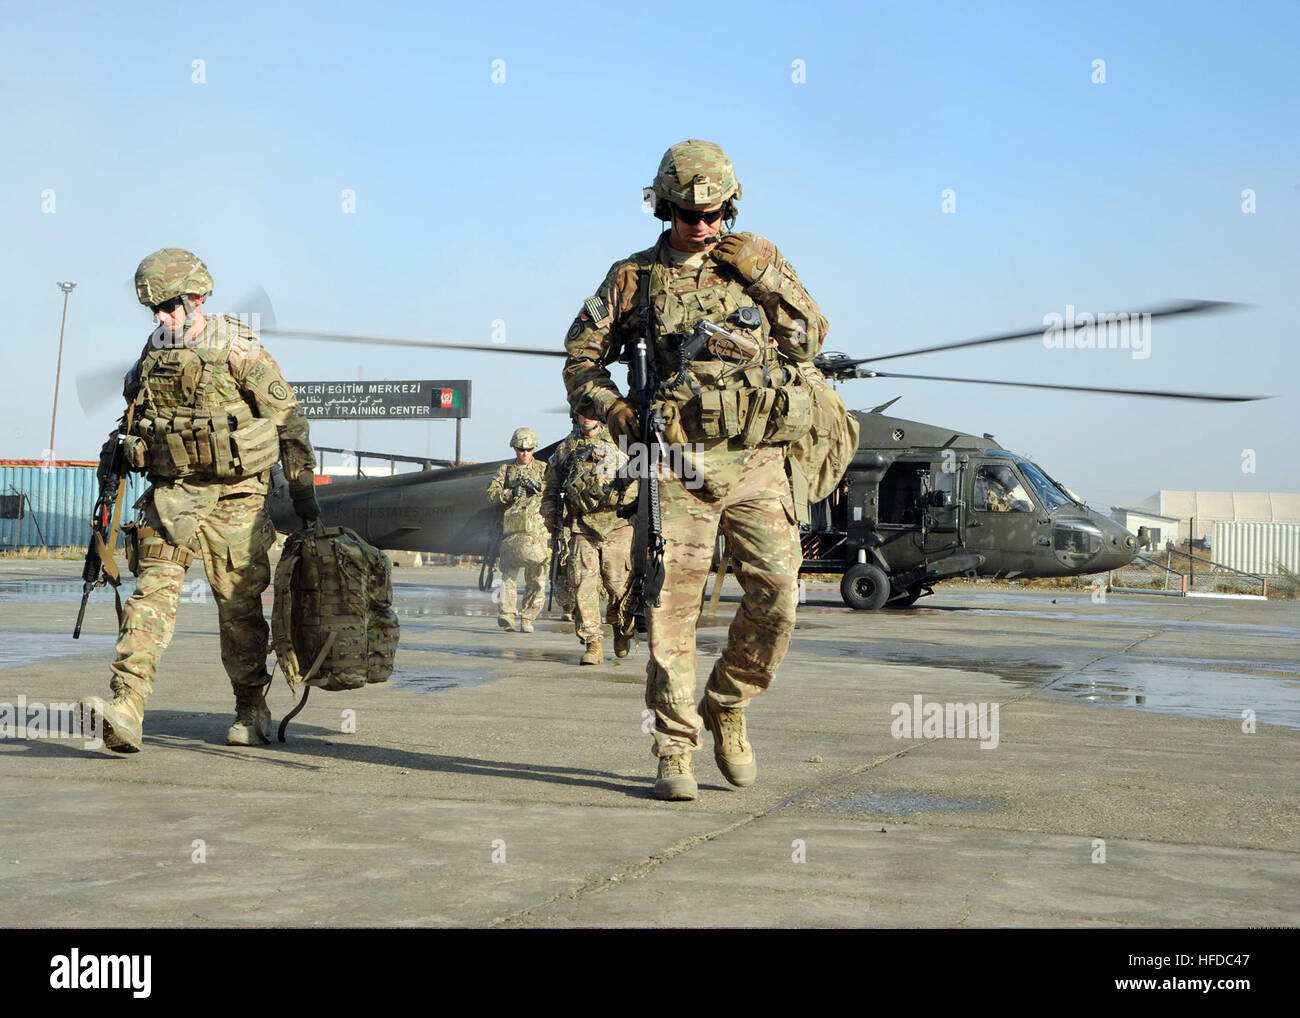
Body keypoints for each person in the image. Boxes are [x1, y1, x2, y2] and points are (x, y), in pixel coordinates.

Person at [562, 140, 826, 801]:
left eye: (714, 213)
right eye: (687, 213)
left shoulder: (756, 264)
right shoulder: (633, 278)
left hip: (757, 458)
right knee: (670, 610)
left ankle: (729, 703)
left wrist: (766, 274)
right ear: (664, 209)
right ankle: (675, 750)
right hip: (674, 461)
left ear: (730, 207)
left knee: (779, 599)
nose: (702, 226)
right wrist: (620, 414)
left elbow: (809, 338)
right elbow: (580, 362)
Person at [79, 248, 318, 753]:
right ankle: (126, 705)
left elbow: (289, 422)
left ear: (197, 297)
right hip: (173, 496)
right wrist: (128, 447)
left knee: (239, 611)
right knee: (151, 596)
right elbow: (134, 415)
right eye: (154, 310)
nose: (162, 317)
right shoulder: (153, 353)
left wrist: (303, 498)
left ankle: (251, 708)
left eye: (168, 306)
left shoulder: (239, 348)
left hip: (237, 497)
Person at [541, 413, 638, 665]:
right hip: (581, 525)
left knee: (618, 585)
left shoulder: (622, 442)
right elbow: (551, 487)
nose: (586, 418)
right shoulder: (566, 448)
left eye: (591, 413)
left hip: (618, 523)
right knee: (583, 585)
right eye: (581, 413)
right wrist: (552, 520)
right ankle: (592, 643)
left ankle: (620, 628)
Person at [485, 428, 549, 633]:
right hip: (513, 530)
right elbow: (491, 495)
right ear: (514, 448)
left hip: (537, 531)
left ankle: (528, 617)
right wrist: (510, 493)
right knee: (508, 575)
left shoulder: (543, 469)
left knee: (537, 577)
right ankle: (507, 613)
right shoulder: (505, 470)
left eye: (528, 449)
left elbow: (556, 490)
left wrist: (539, 486)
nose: (524, 453)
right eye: (520, 449)